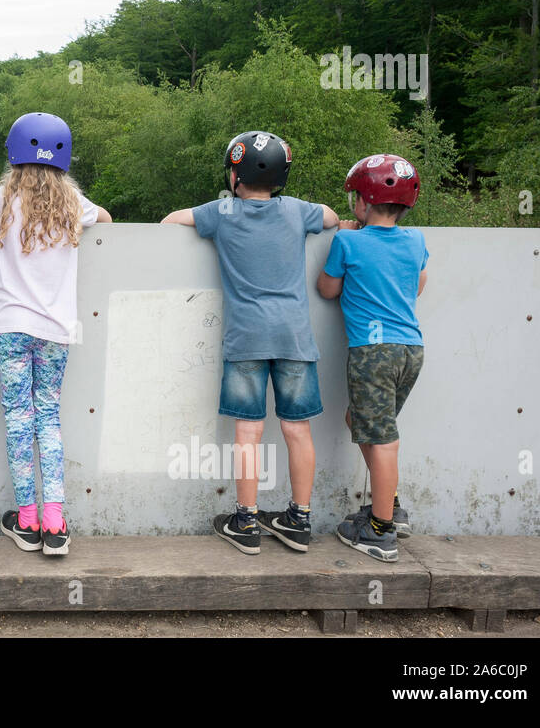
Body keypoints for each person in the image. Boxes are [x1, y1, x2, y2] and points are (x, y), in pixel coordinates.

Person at [162, 131, 340, 554]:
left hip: (246, 338)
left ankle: (246, 521)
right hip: (295, 337)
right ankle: (298, 520)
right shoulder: (298, 211)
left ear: (235, 174)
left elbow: (171, 221)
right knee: (298, 430)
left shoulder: (222, 211)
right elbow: (332, 217)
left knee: (248, 432)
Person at [0, 113, 110, 555]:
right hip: (57, 332)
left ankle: (27, 521)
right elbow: (108, 219)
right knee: (49, 419)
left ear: (13, 156)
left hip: (11, 329)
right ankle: (56, 525)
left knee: (20, 419)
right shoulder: (74, 205)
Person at [318, 154, 428, 562]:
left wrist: (344, 240)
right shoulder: (416, 241)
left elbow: (327, 290)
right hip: (411, 351)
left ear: (363, 203)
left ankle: (381, 530)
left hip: (372, 351)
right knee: (360, 421)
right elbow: (418, 286)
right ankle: (389, 504)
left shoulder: (348, 241)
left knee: (382, 439)